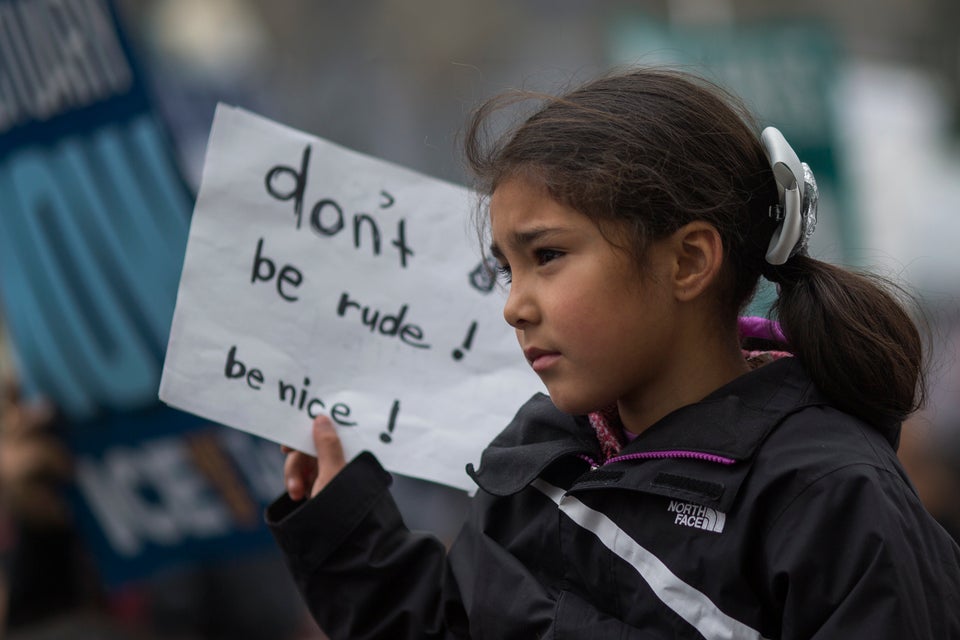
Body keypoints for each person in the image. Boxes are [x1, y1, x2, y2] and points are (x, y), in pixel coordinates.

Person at [265, 68, 960, 638]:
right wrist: (346, 532)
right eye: (507, 269)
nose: (514, 305)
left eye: (548, 255)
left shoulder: (830, 498)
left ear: (689, 261)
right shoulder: (535, 467)